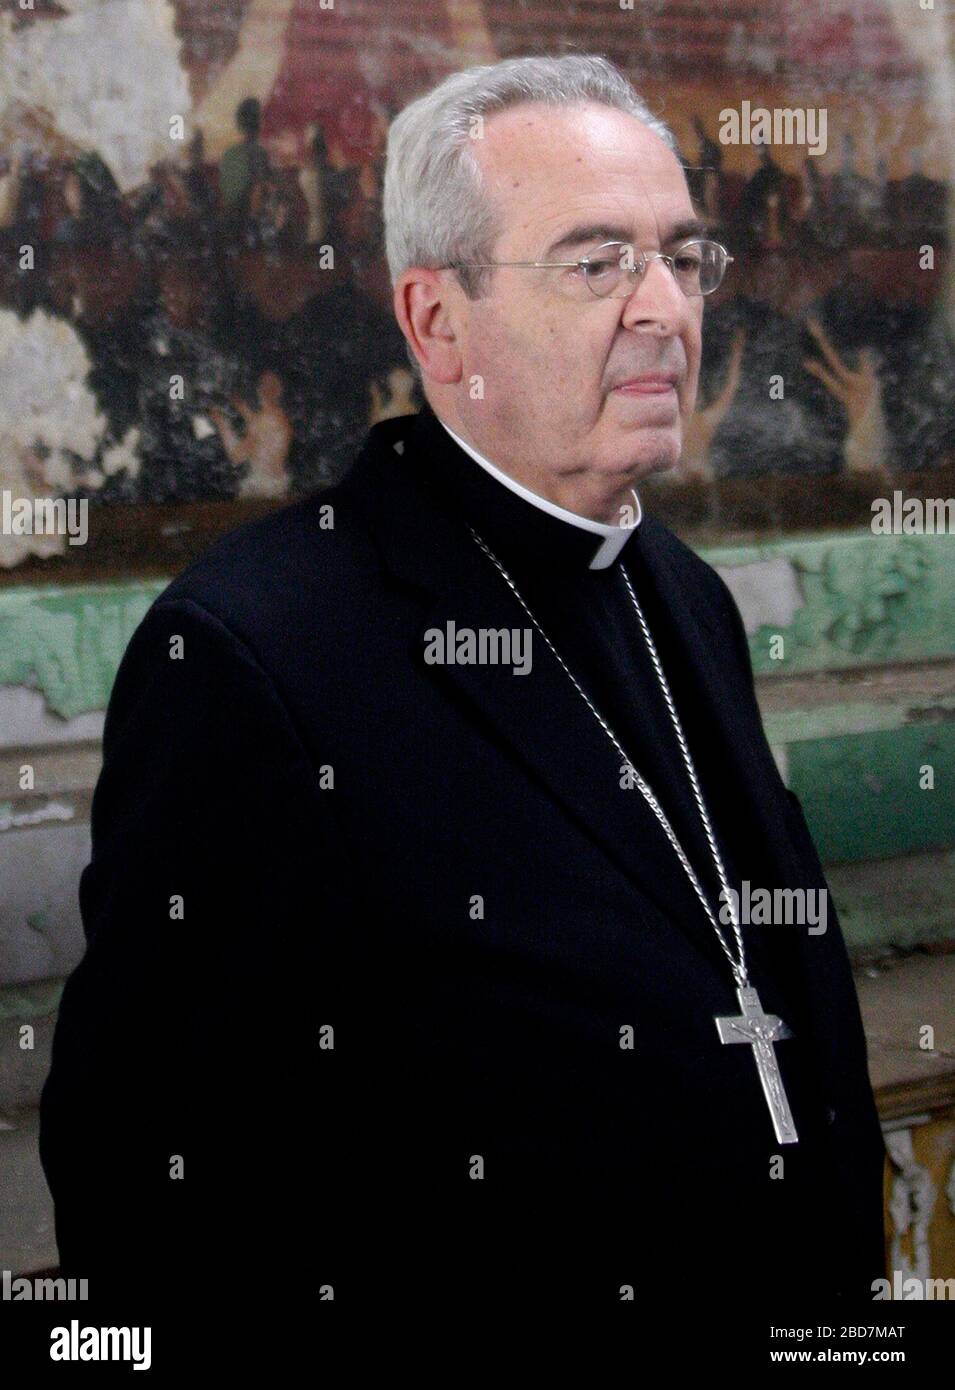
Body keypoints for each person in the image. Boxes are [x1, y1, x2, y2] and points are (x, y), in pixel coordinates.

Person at [40, 55, 885, 1339]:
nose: (665, 307)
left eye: (681, 255)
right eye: (597, 263)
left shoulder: (683, 595)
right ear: (438, 321)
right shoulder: (252, 651)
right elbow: (152, 1199)